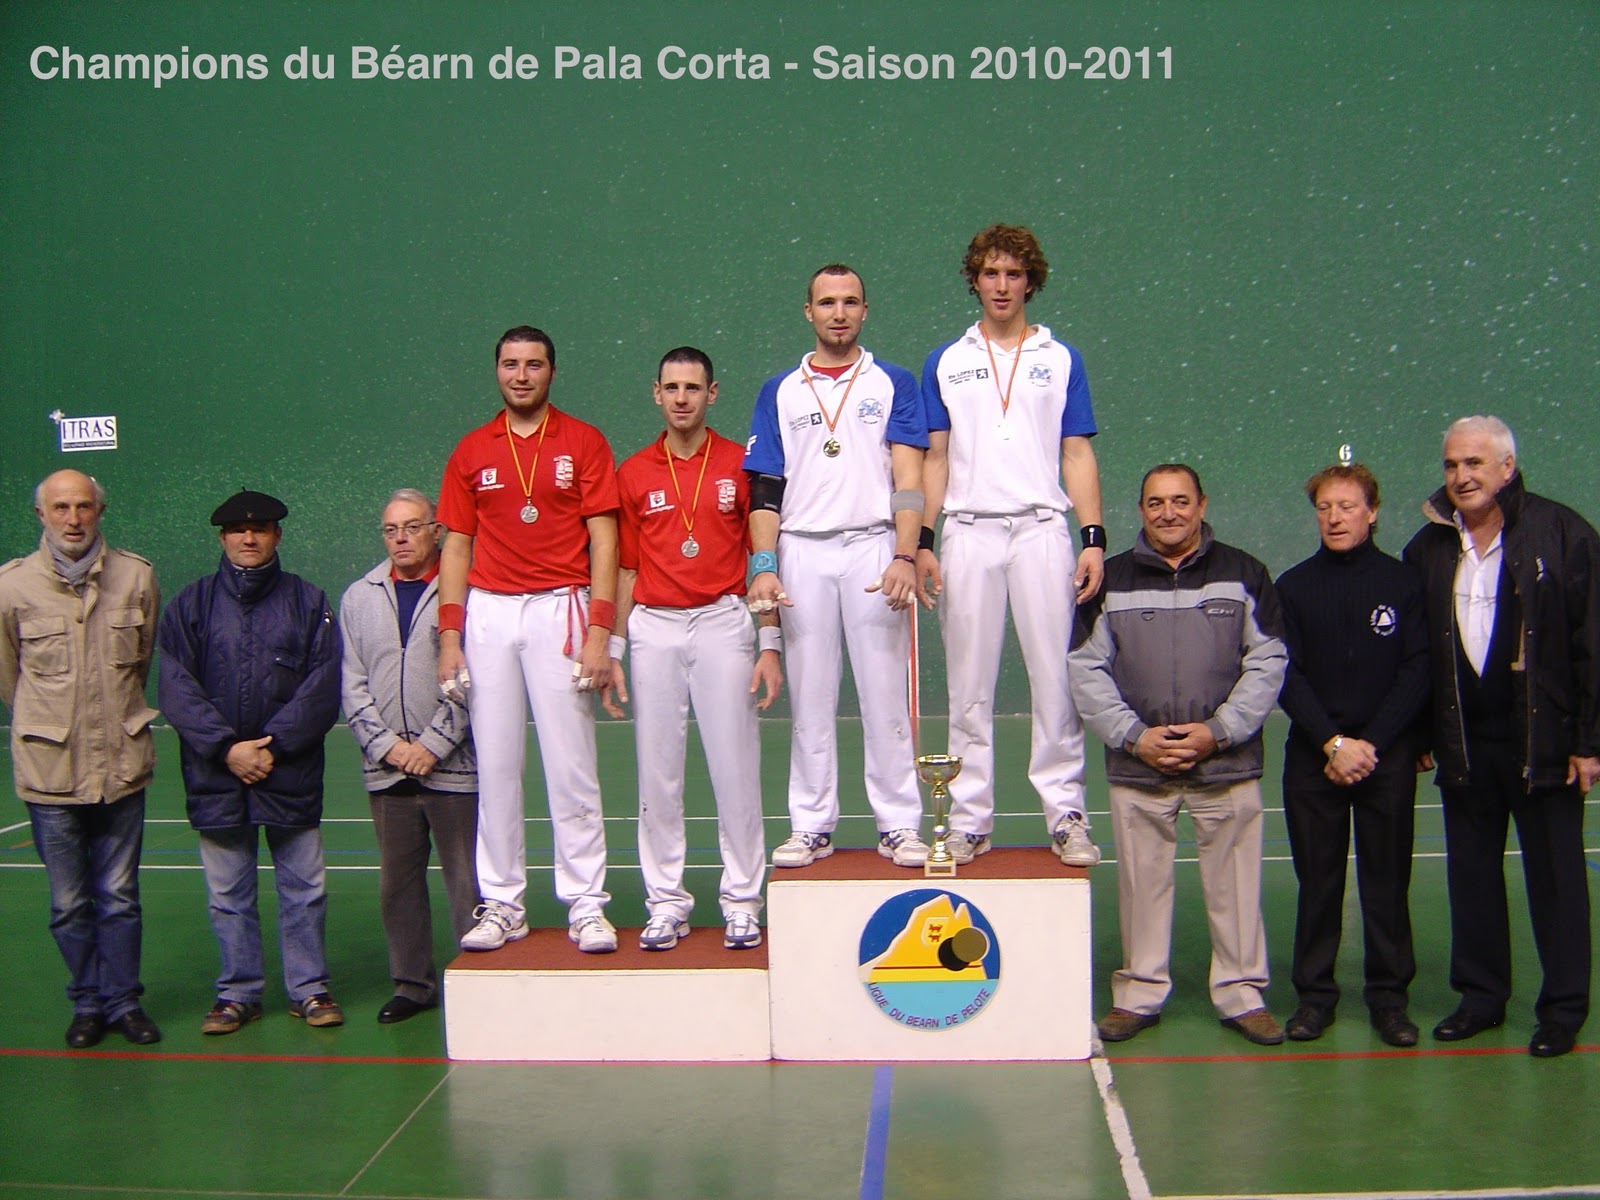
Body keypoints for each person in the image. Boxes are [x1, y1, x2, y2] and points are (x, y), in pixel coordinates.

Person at [1070, 465, 1288, 1046]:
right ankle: (1139, 993)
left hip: (1226, 762)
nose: (1169, 513)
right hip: (1139, 765)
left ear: (1201, 504)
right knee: (1141, 884)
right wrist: (1133, 735)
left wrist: (1218, 731)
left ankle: (1242, 993)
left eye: (1180, 501)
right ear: (1140, 509)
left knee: (1236, 884)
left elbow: (1267, 662)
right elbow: (1085, 668)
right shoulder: (1109, 580)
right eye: (1156, 502)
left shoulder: (1245, 574)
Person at [1404, 415, 1600, 1059]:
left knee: (1557, 879)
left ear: (1507, 468)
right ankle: (1482, 998)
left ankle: (1563, 1010)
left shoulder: (1564, 533)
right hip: (1466, 742)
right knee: (1473, 876)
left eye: (1474, 464)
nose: (1461, 476)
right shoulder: (1427, 549)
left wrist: (1588, 741)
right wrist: (1423, 732)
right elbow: (1418, 656)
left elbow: (1590, 646)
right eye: (1451, 465)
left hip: (1544, 740)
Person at [919, 223, 1105, 867]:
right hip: (968, 531)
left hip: (1040, 530)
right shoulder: (946, 360)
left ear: (1032, 281)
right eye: (991, 273)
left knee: (1053, 677)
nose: (1002, 286)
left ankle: (1066, 811)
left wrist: (1092, 539)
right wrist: (922, 540)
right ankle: (969, 817)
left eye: (1014, 274)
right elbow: (934, 459)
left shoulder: (1061, 358)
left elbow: (1076, 451)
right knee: (969, 683)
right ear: (974, 279)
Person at [437, 325, 621, 953]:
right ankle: (503, 902)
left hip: (560, 611)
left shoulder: (584, 441)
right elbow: (457, 545)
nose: (521, 375)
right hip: (489, 614)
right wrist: (450, 636)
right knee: (497, 765)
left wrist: (600, 629)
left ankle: (587, 903)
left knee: (571, 766)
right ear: (497, 371)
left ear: (552, 372)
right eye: (511, 365)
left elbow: (604, 539)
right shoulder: (470, 451)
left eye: (534, 365)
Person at [743, 264, 929, 868]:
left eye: (850, 302)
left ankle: (899, 823)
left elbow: (908, 478)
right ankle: (812, 823)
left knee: (884, 696)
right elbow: (766, 489)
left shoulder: (894, 382)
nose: (839, 313)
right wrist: (764, 566)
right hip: (802, 551)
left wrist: (905, 552)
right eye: (827, 302)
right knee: (812, 696)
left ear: (866, 311)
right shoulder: (780, 390)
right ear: (809, 312)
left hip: (874, 548)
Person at [602, 347, 782, 950]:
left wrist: (769, 641)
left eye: (694, 387)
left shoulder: (742, 463)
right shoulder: (632, 473)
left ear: (713, 393)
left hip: (724, 622)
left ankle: (741, 900)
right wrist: (617, 650)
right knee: (658, 775)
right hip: (653, 626)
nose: (682, 397)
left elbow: (764, 559)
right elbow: (625, 568)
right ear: (656, 393)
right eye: (672, 387)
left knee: (735, 768)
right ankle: (666, 903)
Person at [158, 490, 343, 1034]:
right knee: (228, 894)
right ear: (222, 538)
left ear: (276, 535)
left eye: (260, 528)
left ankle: (310, 989)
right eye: (238, 531)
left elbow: (323, 686)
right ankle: (237, 993)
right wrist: (226, 749)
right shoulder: (189, 606)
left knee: (304, 890)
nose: (249, 538)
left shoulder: (309, 602)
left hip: (290, 771)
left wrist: (272, 747)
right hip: (217, 775)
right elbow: (176, 688)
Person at [0, 470, 162, 1048]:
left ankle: (123, 1002)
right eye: (61, 507)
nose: (73, 519)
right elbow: (10, 681)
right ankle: (87, 1002)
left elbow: (138, 667)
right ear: (41, 514)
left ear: (101, 510)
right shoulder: (10, 587)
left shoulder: (136, 576)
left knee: (119, 897)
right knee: (69, 903)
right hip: (50, 773)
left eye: (84, 507)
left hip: (121, 766)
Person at [1275, 464, 1429, 1047]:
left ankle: (1390, 1001)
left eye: (1347, 506)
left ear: (1372, 512)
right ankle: (1315, 999)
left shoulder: (1403, 583)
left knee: (1387, 884)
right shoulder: (1292, 586)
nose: (1334, 518)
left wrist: (1373, 744)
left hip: (1385, 759)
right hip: (1315, 758)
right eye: (1324, 508)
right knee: (1319, 884)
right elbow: (1285, 674)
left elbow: (1418, 670)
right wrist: (1332, 743)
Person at [341, 489, 481, 1022]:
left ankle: (477, 977)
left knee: (466, 880)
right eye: (391, 529)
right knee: (397, 884)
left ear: (437, 531)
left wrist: (433, 744)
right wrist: (389, 747)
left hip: (452, 768)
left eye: (412, 527)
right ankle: (412, 984)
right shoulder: (358, 596)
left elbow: (477, 677)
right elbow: (351, 683)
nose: (401, 538)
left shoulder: (463, 589)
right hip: (387, 770)